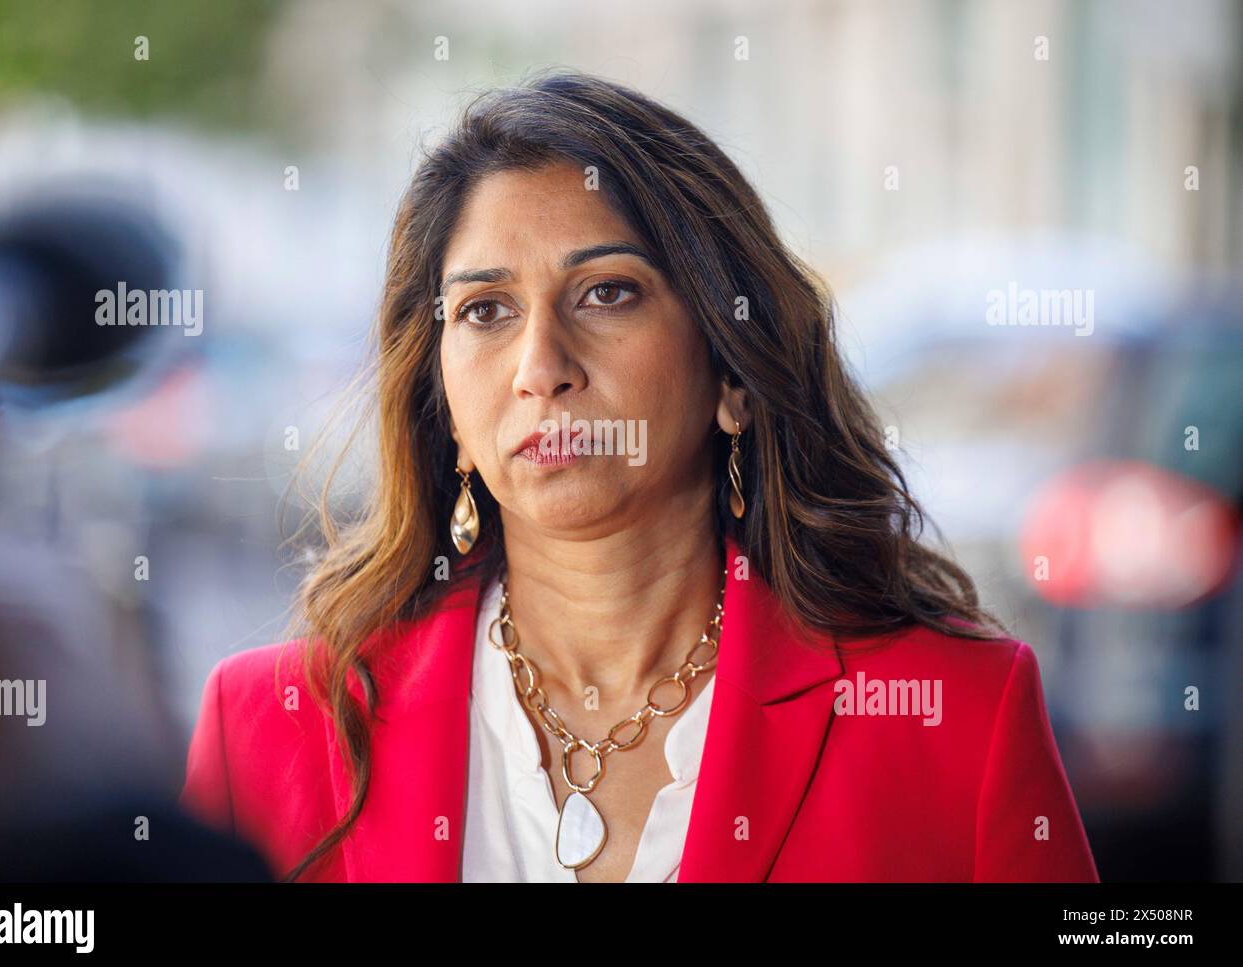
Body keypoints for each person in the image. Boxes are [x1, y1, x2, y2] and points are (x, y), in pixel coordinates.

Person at [180, 69, 1099, 883]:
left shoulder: (954, 719)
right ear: (445, 407)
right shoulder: (270, 727)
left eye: (607, 292)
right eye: (486, 309)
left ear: (732, 371)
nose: (541, 365)